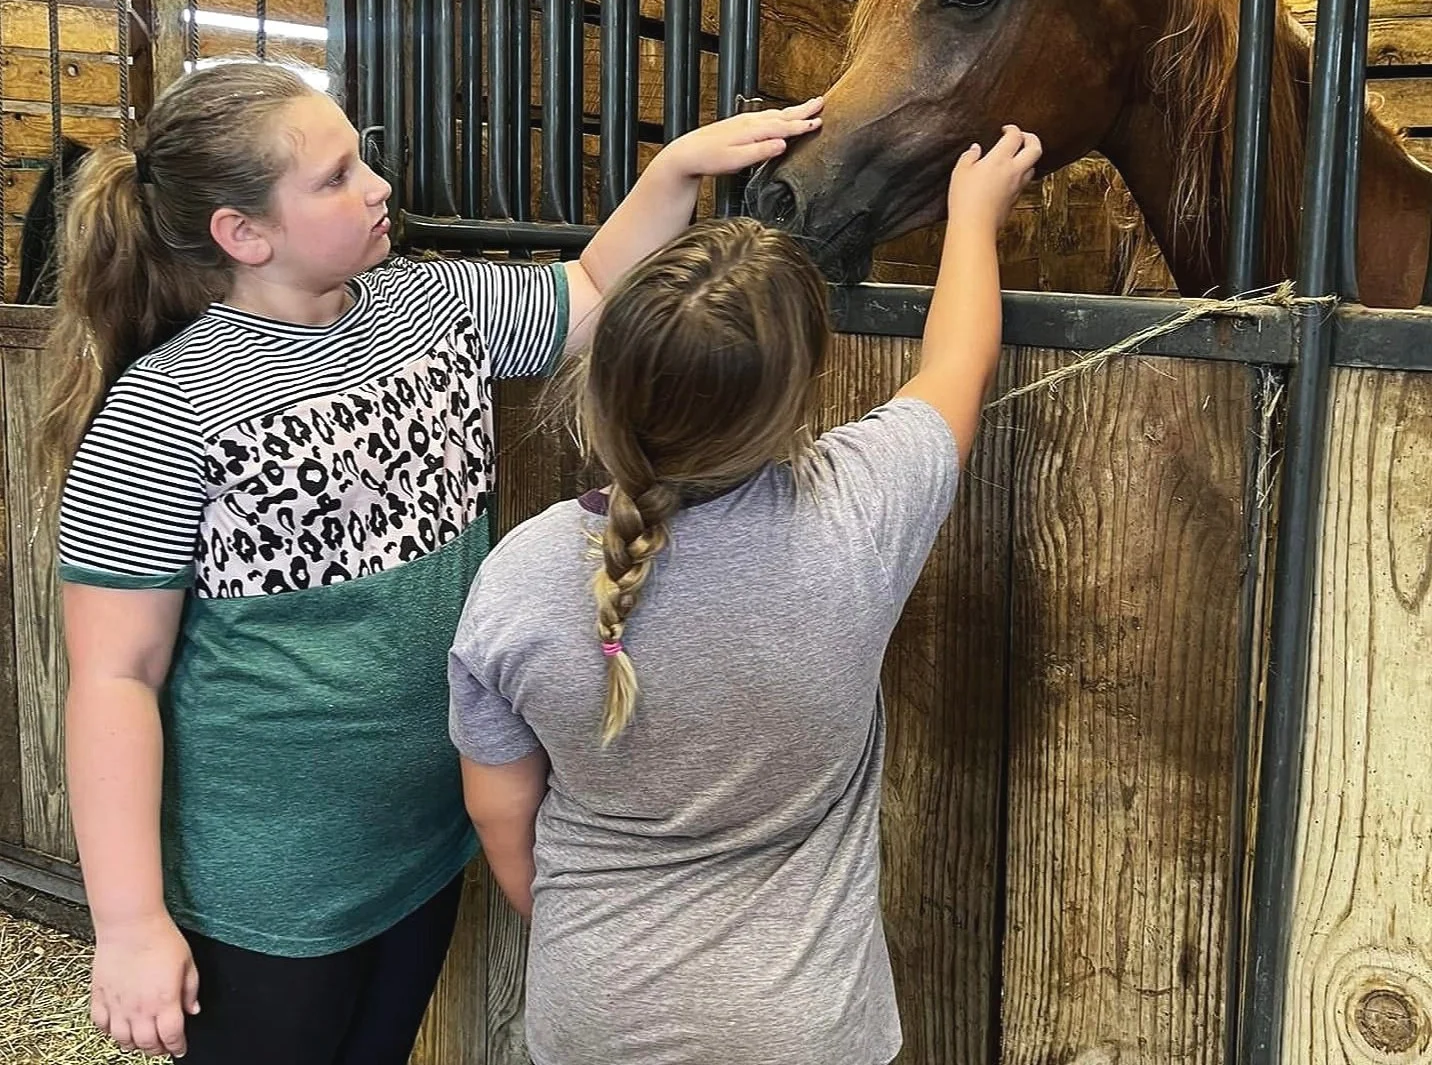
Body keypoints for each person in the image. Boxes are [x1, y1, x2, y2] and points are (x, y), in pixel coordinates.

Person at [45, 57, 824, 1064]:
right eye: (332, 178)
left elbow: (587, 287)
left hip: (422, 841)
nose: (376, 186)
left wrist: (675, 168)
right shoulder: (163, 410)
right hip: (268, 889)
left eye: (359, 155)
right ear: (245, 234)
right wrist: (130, 922)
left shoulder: (426, 304)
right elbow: (114, 676)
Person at [448, 125, 1043, 1065]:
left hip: (595, 1012)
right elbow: (956, 363)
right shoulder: (857, 510)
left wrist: (587, 932)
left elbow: (499, 817)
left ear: (601, 385)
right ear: (801, 397)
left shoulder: (514, 577)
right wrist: (972, 221)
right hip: (801, 1025)